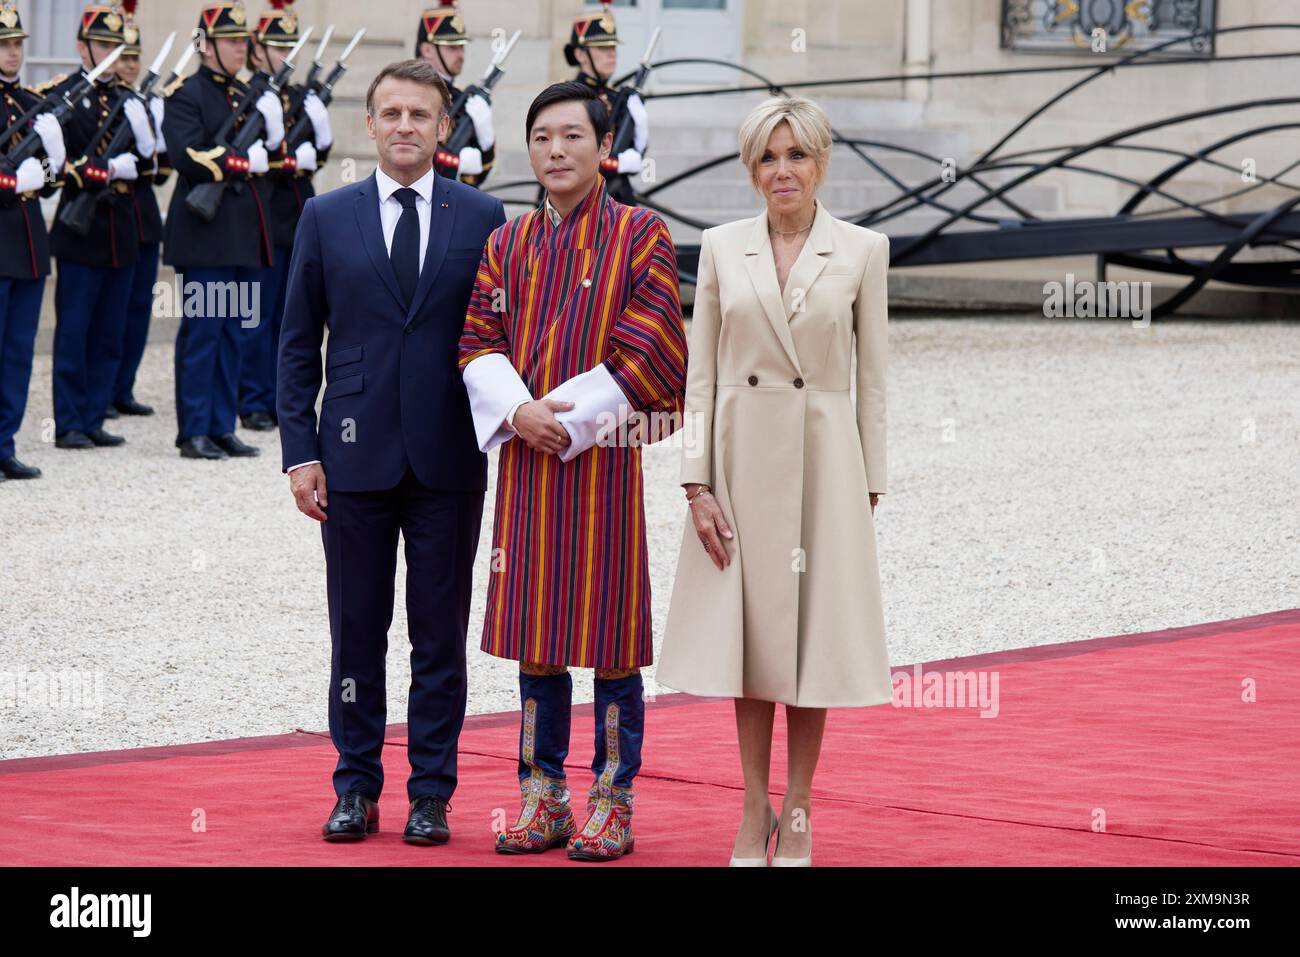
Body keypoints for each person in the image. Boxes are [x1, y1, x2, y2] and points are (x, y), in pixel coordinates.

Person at [656, 95, 893, 867]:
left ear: (821, 161)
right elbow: (699, 374)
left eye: (796, 155)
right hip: (738, 461)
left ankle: (799, 805)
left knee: (815, 638)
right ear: (750, 168)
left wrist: (869, 481)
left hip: (825, 464)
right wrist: (696, 482)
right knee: (750, 640)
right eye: (767, 156)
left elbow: (875, 379)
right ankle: (752, 803)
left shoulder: (863, 250)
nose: (781, 170)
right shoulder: (723, 247)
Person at [277, 59, 505, 845]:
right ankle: (355, 784)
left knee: (439, 633)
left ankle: (432, 792)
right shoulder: (326, 216)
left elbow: (502, 340)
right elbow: (297, 345)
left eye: (421, 114)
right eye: (391, 113)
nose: (405, 126)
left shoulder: (483, 217)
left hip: (447, 459)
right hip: (352, 457)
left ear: (447, 128)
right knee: (356, 631)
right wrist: (300, 453)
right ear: (368, 125)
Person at [458, 80, 686, 861]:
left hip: (603, 462)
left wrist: (574, 421)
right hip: (525, 458)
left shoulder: (641, 233)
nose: (555, 151)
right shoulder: (507, 242)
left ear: (604, 147)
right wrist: (521, 414)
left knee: (612, 630)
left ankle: (613, 797)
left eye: (572, 137)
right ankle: (541, 792)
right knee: (536, 631)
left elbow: (653, 339)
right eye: (542, 138)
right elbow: (477, 339)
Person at [163, 0, 279, 460]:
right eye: (231, 41)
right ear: (205, 46)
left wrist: (270, 129)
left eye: (242, 41)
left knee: (236, 331)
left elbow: (273, 154)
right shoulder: (185, 93)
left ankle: (221, 424)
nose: (240, 48)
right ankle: (193, 429)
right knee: (204, 332)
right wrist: (237, 161)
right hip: (205, 234)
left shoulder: (246, 95)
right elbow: (185, 155)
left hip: (242, 234)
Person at [47, 3, 151, 451]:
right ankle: (69, 421)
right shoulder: (62, 96)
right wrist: (99, 170)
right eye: (103, 45)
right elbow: (52, 166)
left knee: (110, 329)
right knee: (75, 328)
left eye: (115, 46)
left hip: (120, 228)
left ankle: (94, 415)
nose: (110, 54)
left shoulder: (129, 101)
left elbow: (150, 163)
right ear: (81, 46)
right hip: (79, 227)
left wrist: (138, 156)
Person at [238, 0, 330, 432]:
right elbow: (250, 153)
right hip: (262, 214)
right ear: (258, 51)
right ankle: (252, 397)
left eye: (291, 46)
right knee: (259, 312)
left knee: (292, 315)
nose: (286, 56)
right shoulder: (248, 94)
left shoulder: (298, 96)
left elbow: (316, 151)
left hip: (298, 213)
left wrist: (319, 145)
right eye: (278, 48)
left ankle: (281, 399)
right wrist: (289, 158)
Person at [0, 0, 65, 482]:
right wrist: (11, 181)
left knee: (18, 351)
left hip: (26, 245)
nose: (13, 53)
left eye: (18, 44)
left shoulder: (27, 103)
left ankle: (4, 444)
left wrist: (52, 160)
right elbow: (16, 179)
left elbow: (44, 178)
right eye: (4, 44)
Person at [107, 0, 164, 421]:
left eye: (133, 58)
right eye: (123, 57)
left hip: (143, 212)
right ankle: (103, 390)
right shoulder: (105, 101)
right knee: (111, 309)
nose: (129, 66)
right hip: (111, 212)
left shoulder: (146, 102)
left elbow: (160, 171)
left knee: (138, 309)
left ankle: (123, 386)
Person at [563, 1, 647, 206]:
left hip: (617, 196)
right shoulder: (566, 97)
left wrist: (641, 132)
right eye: (602, 47)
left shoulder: (618, 97)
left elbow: (634, 154)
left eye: (613, 47)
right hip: (577, 198)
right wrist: (616, 163)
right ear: (580, 54)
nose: (611, 53)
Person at [415, 2, 494, 188]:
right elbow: (408, 153)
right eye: (452, 47)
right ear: (427, 49)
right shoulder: (412, 92)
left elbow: (476, 178)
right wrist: (454, 162)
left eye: (462, 47)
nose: (461, 55)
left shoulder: (459, 96)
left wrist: (486, 142)